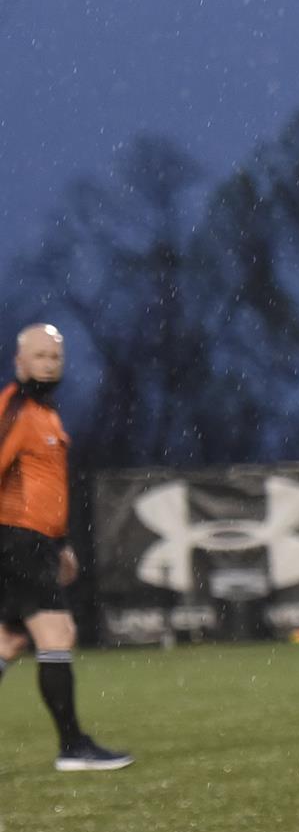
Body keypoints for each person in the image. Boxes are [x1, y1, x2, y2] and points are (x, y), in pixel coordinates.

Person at [0, 325, 130, 770]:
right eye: (39, 355)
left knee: (9, 641)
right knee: (57, 634)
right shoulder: (16, 409)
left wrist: (61, 543)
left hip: (35, 541)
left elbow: (46, 489)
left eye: (55, 357)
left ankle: (74, 746)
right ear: (19, 362)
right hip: (17, 540)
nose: (48, 364)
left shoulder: (46, 414)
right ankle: (73, 747)